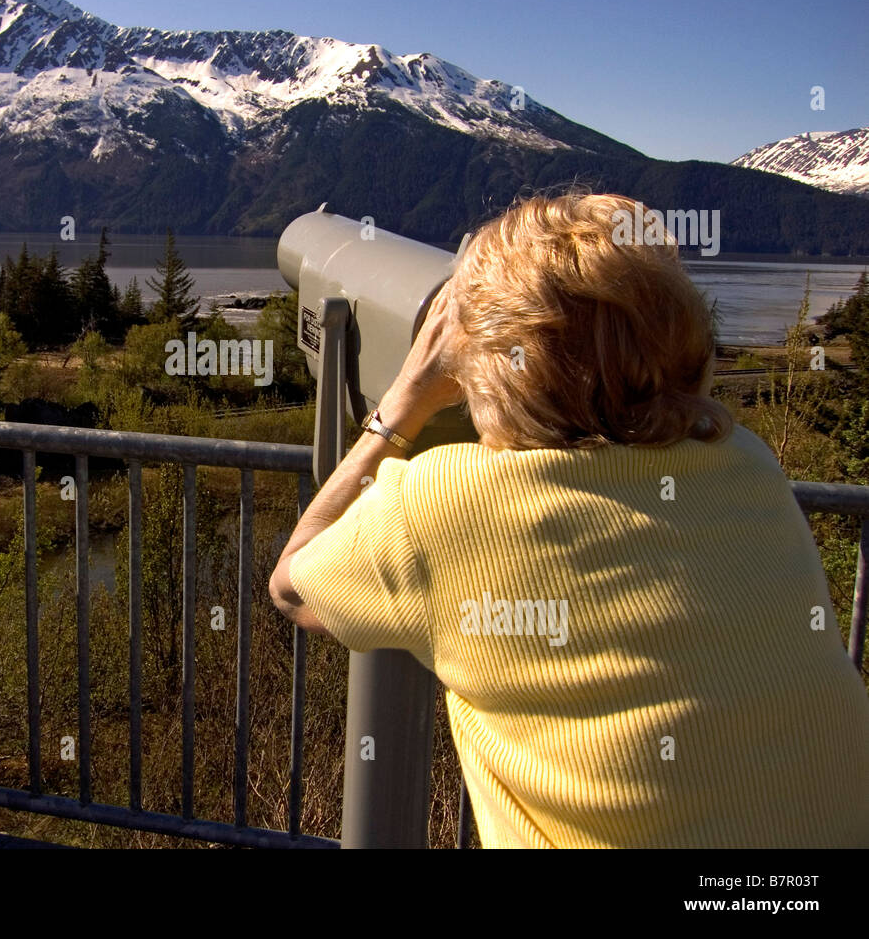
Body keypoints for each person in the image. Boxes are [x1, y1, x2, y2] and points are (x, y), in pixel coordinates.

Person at [268, 189, 869, 848]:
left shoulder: (446, 503)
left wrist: (404, 402)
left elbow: (293, 585)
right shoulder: (748, 463)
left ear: (494, 364)